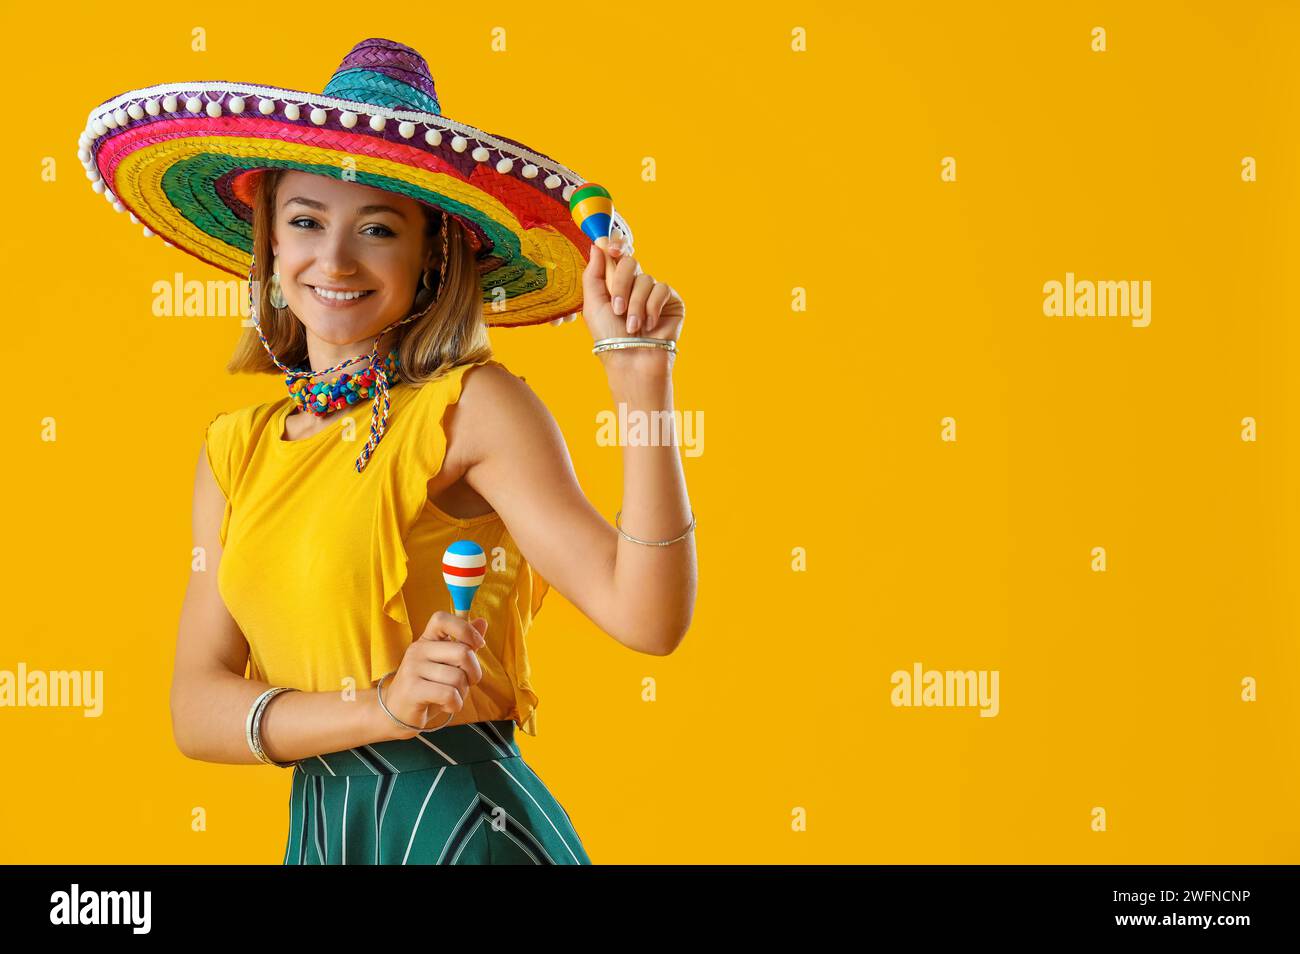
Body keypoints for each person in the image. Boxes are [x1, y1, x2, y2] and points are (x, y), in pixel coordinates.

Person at [79, 37, 696, 864]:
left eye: (376, 228)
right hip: (329, 829)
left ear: (431, 253)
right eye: (305, 221)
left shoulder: (473, 408)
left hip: (459, 824)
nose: (333, 260)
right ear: (268, 243)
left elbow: (647, 617)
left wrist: (642, 388)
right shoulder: (236, 450)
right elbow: (196, 708)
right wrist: (382, 708)